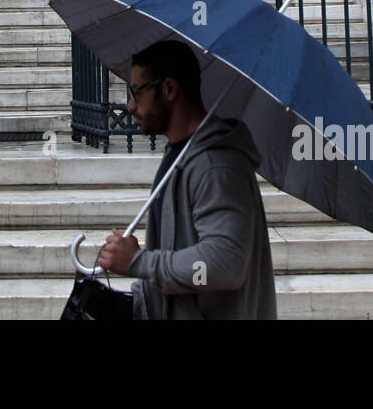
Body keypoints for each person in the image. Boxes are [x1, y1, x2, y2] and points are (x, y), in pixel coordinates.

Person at [97, 39, 277, 319]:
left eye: (137, 92)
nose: (130, 106)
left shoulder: (216, 165)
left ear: (169, 88)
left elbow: (223, 266)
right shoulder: (180, 154)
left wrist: (139, 261)